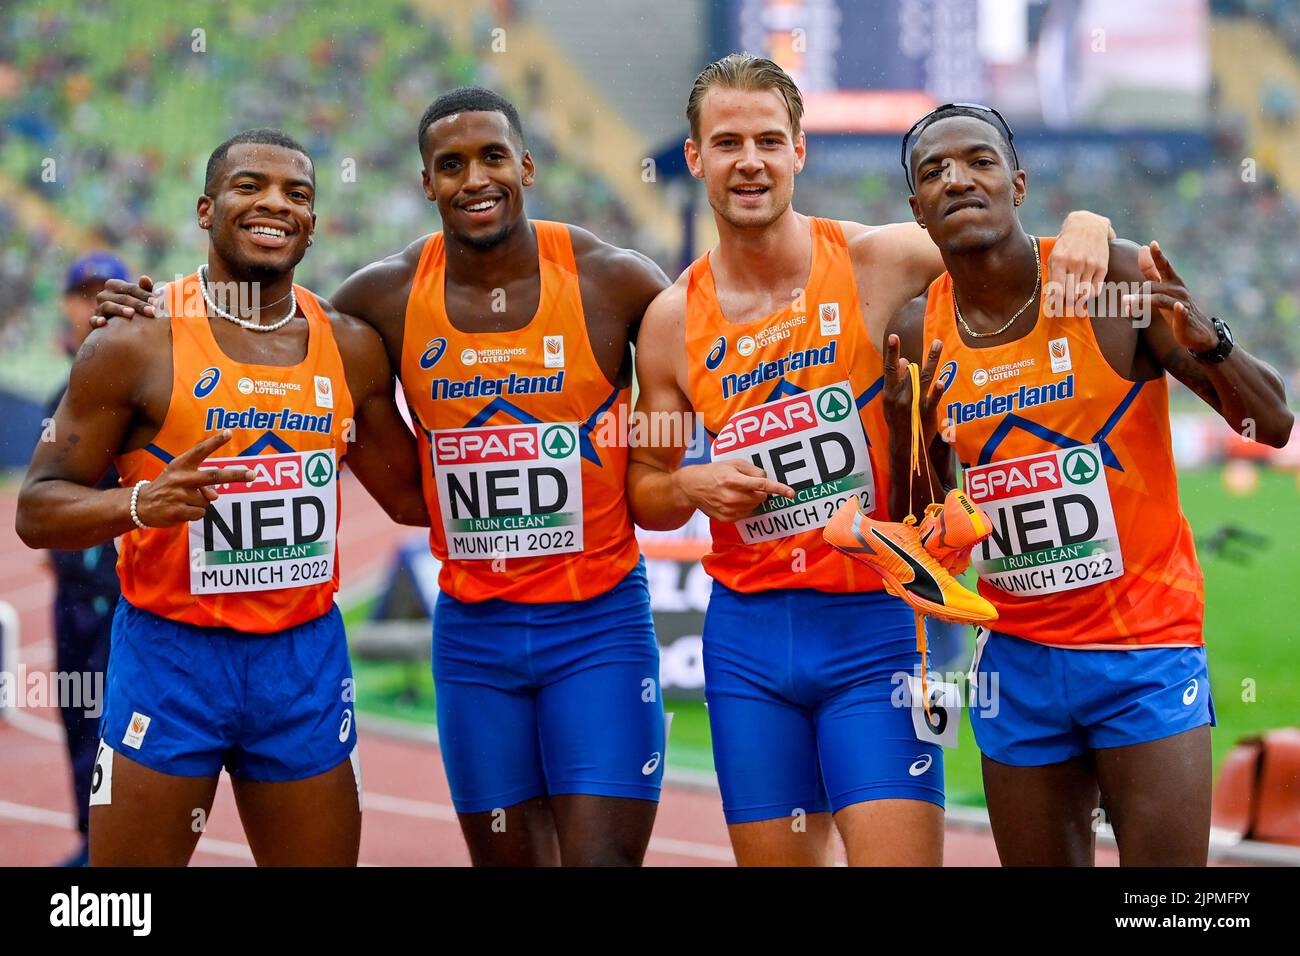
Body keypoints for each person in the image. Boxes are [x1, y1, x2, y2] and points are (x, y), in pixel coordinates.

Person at [97, 89, 673, 866]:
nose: (475, 179)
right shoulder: (380, 300)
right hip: (475, 631)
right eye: (451, 165)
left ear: (527, 166)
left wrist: (655, 462)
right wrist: (155, 306)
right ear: (426, 183)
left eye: (493, 157)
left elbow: (704, 359)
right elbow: (269, 327)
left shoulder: (618, 283)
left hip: (599, 624)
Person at [626, 54, 1114, 866]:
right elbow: (646, 493)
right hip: (748, 639)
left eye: (768, 140)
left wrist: (1089, 225)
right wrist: (687, 481)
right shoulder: (671, 322)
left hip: (878, 628)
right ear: (695, 158)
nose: (749, 160)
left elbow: (1003, 241)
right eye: (727, 142)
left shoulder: (874, 260)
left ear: (799, 153)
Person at [891, 103, 1293, 865]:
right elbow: (928, 533)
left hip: (1143, 652)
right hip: (1017, 661)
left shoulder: (1111, 278)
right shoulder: (918, 332)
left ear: (1017, 179)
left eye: (978, 160)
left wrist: (1211, 341)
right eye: (933, 172)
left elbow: (1270, 423)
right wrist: (904, 429)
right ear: (917, 209)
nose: (957, 180)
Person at [17, 128, 428, 866]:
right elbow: (39, 510)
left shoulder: (350, 346)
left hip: (301, 661)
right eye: (250, 186)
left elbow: (412, 499)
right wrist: (140, 504)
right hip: (172, 656)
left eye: (297, 194)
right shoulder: (135, 342)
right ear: (206, 211)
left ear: (312, 222)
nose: (275, 203)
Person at [46, 252, 132, 866]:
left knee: (115, 732)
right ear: (69, 304)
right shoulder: (65, 388)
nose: (94, 303)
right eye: (84, 293)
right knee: (77, 722)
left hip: (120, 597)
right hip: (72, 598)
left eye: (107, 290)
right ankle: (91, 846)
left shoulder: (138, 383)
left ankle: (111, 855)